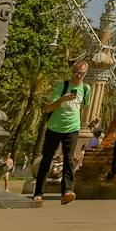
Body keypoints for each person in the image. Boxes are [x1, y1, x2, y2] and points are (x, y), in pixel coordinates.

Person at [32, 60, 93, 205]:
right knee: (46, 159)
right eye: (75, 72)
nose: (78, 75)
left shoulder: (86, 89)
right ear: (72, 71)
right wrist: (62, 100)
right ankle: (38, 193)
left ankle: (67, 191)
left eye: (81, 73)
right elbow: (48, 108)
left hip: (72, 128)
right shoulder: (62, 86)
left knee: (69, 159)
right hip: (54, 127)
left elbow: (83, 106)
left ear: (85, 74)